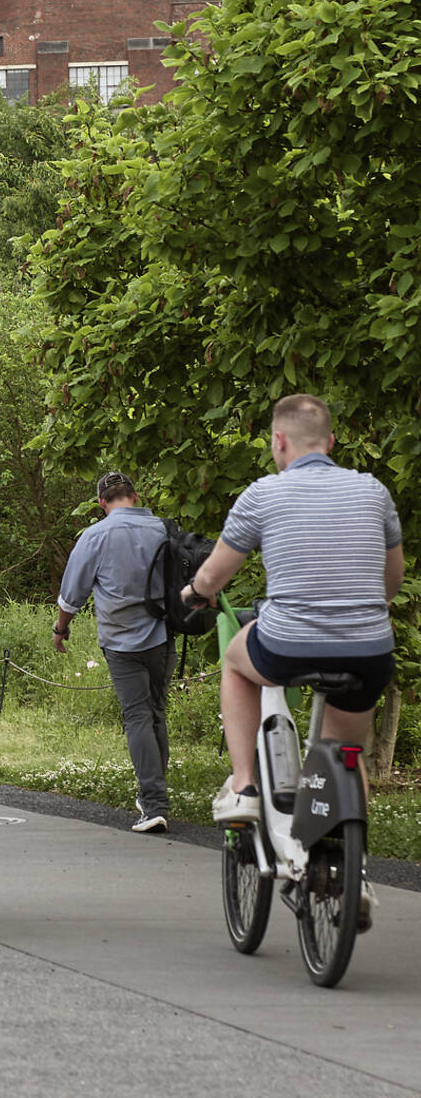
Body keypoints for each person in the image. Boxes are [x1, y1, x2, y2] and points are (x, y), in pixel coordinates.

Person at [182, 394, 398, 924]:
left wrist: (194, 593)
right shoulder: (373, 491)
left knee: (236, 660)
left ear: (279, 441)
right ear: (330, 441)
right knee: (347, 750)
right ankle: (355, 872)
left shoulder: (264, 494)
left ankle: (245, 786)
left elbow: (214, 577)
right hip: (368, 648)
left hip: (287, 643)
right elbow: (390, 583)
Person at [54, 471, 177, 834]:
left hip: (121, 642)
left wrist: (61, 629)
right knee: (156, 712)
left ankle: (153, 803)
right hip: (162, 637)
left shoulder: (96, 535)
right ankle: (155, 794)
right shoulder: (162, 529)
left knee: (137, 716)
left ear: (101, 503)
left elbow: (72, 594)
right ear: (135, 496)